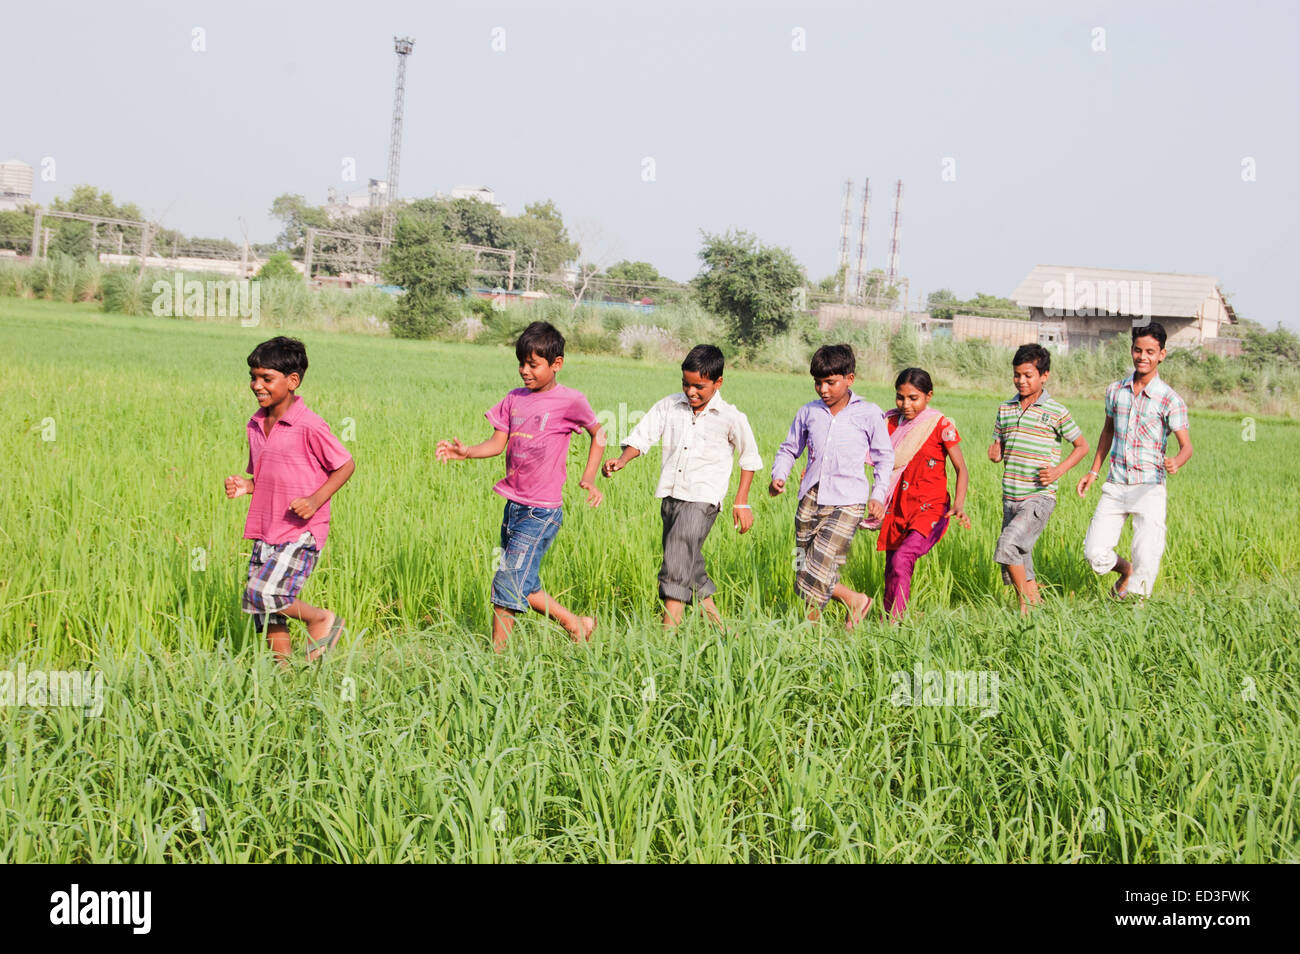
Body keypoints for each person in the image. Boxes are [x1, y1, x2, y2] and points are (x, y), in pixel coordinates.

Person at [436, 321, 604, 651]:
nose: (525, 371)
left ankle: (497, 661)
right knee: (524, 583)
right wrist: (467, 451)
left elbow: (599, 433)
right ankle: (577, 624)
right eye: (521, 363)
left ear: (557, 364)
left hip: (542, 511)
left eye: (533, 364)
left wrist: (589, 477)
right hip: (513, 506)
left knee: (506, 581)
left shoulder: (570, 400)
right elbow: (497, 443)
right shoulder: (514, 399)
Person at [602, 344, 762, 627]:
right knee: (689, 566)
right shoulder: (670, 406)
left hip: (703, 499)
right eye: (686, 384)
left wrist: (741, 501)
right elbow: (643, 436)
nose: (691, 392)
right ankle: (723, 632)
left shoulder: (731, 417)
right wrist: (623, 459)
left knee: (676, 559)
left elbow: (749, 458)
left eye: (699, 386)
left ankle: (667, 639)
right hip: (671, 496)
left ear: (718, 382)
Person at [225, 336, 355, 665]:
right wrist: (247, 485)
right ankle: (282, 676)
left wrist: (315, 500)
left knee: (265, 593)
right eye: (253, 377)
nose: (257, 385)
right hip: (265, 526)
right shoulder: (255, 424)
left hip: (301, 530)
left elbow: (345, 465)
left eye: (266, 378)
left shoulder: (309, 425)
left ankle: (319, 619)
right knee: (264, 609)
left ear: (292, 381)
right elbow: (267, 475)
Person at [769, 344, 893, 629]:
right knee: (804, 566)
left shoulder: (868, 413)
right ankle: (855, 601)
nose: (823, 389)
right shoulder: (808, 412)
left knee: (819, 565)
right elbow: (789, 449)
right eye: (818, 382)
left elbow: (884, 457)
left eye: (830, 382)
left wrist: (878, 495)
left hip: (849, 500)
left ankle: (809, 632)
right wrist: (780, 475)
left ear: (850, 379)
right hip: (810, 497)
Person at [1077, 322, 1192, 599]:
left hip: (1149, 488)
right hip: (1116, 484)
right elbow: (1108, 431)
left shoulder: (1169, 399)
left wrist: (1177, 460)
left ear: (1161, 354)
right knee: (1094, 552)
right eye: (1138, 350)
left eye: (1150, 351)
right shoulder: (1115, 391)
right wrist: (1093, 472)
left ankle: (1137, 615)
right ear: (1131, 350)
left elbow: (1186, 446)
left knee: (1147, 556)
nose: (1143, 356)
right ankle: (1125, 571)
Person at [988, 343, 1089, 613]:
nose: (1021, 381)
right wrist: (996, 452)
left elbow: (1082, 446)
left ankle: (1025, 603)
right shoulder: (1005, 409)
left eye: (1028, 375)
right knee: (1021, 554)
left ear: (1044, 376)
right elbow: (1000, 447)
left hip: (1039, 497)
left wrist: (1058, 471)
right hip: (1010, 496)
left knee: (1008, 545)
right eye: (1017, 375)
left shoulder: (1056, 411)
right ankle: (1037, 606)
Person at [875, 368, 971, 619]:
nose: (905, 404)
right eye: (900, 397)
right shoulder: (890, 423)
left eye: (913, 398)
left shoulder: (940, 425)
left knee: (902, 559)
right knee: (892, 568)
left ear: (929, 396)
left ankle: (896, 622)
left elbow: (961, 468)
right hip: (897, 506)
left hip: (931, 507)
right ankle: (890, 623)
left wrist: (959, 504)